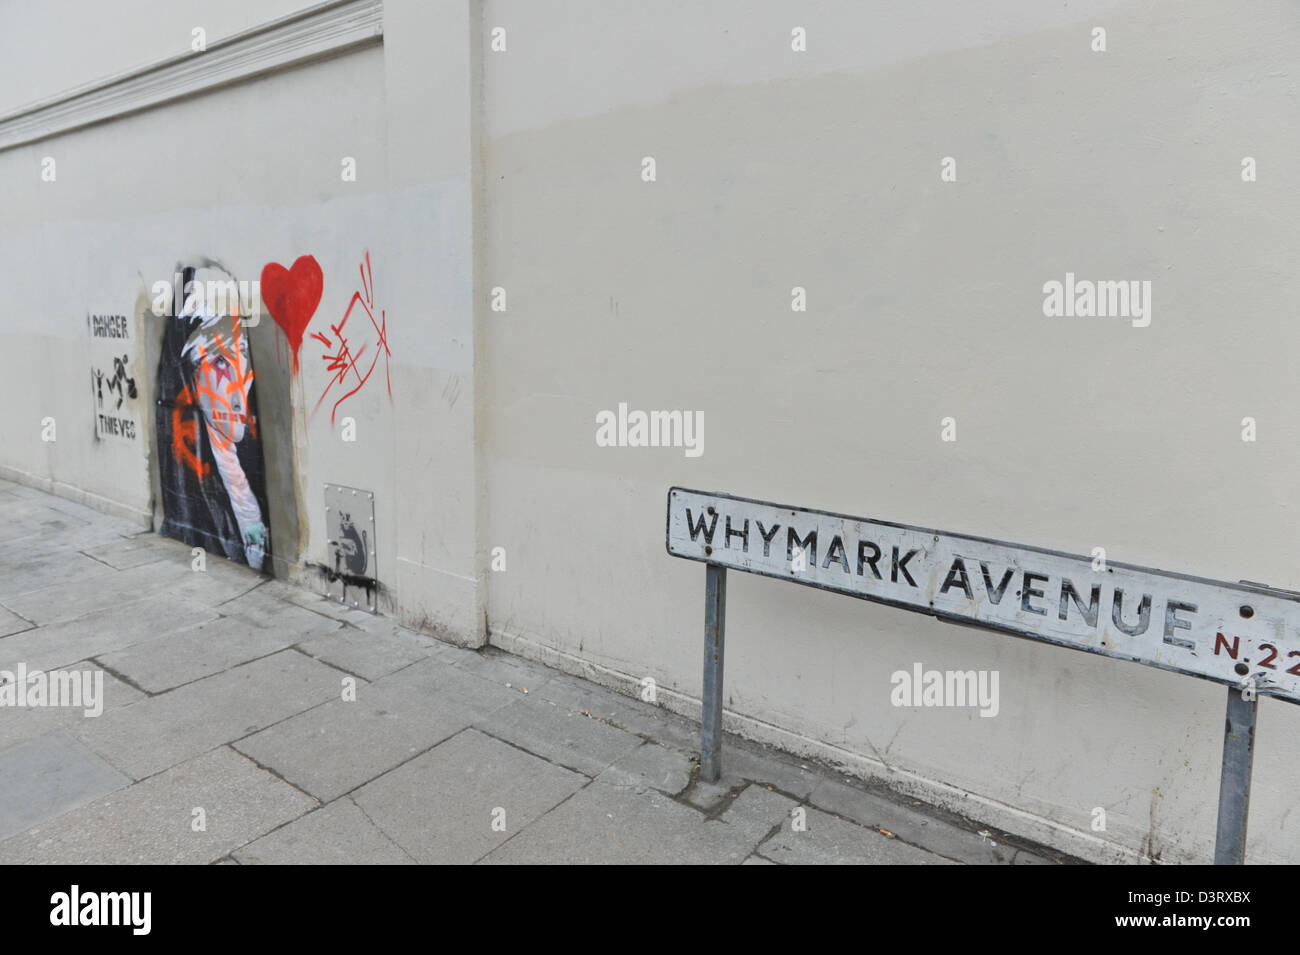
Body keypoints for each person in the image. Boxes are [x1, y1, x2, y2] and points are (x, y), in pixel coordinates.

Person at [156, 266, 270, 571]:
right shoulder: (193, 490)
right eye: (219, 360)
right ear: (190, 379)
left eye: (242, 353)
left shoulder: (261, 463)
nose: (237, 394)